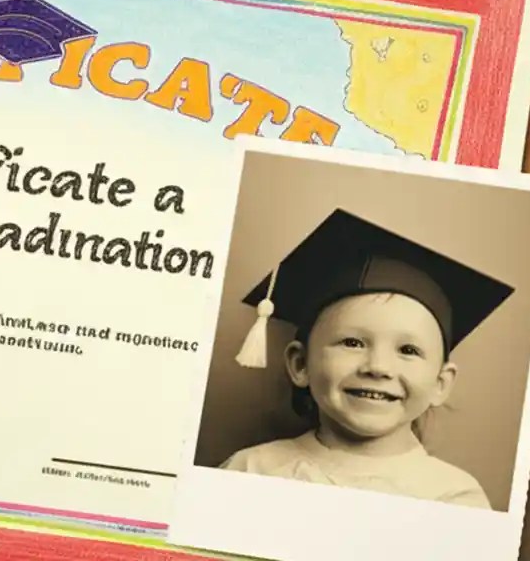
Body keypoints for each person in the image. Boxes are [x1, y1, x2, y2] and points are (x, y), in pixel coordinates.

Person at [219, 208, 514, 510]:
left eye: (408, 350)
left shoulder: (454, 498)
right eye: (352, 342)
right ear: (300, 364)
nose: (378, 367)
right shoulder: (251, 470)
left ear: (441, 383)